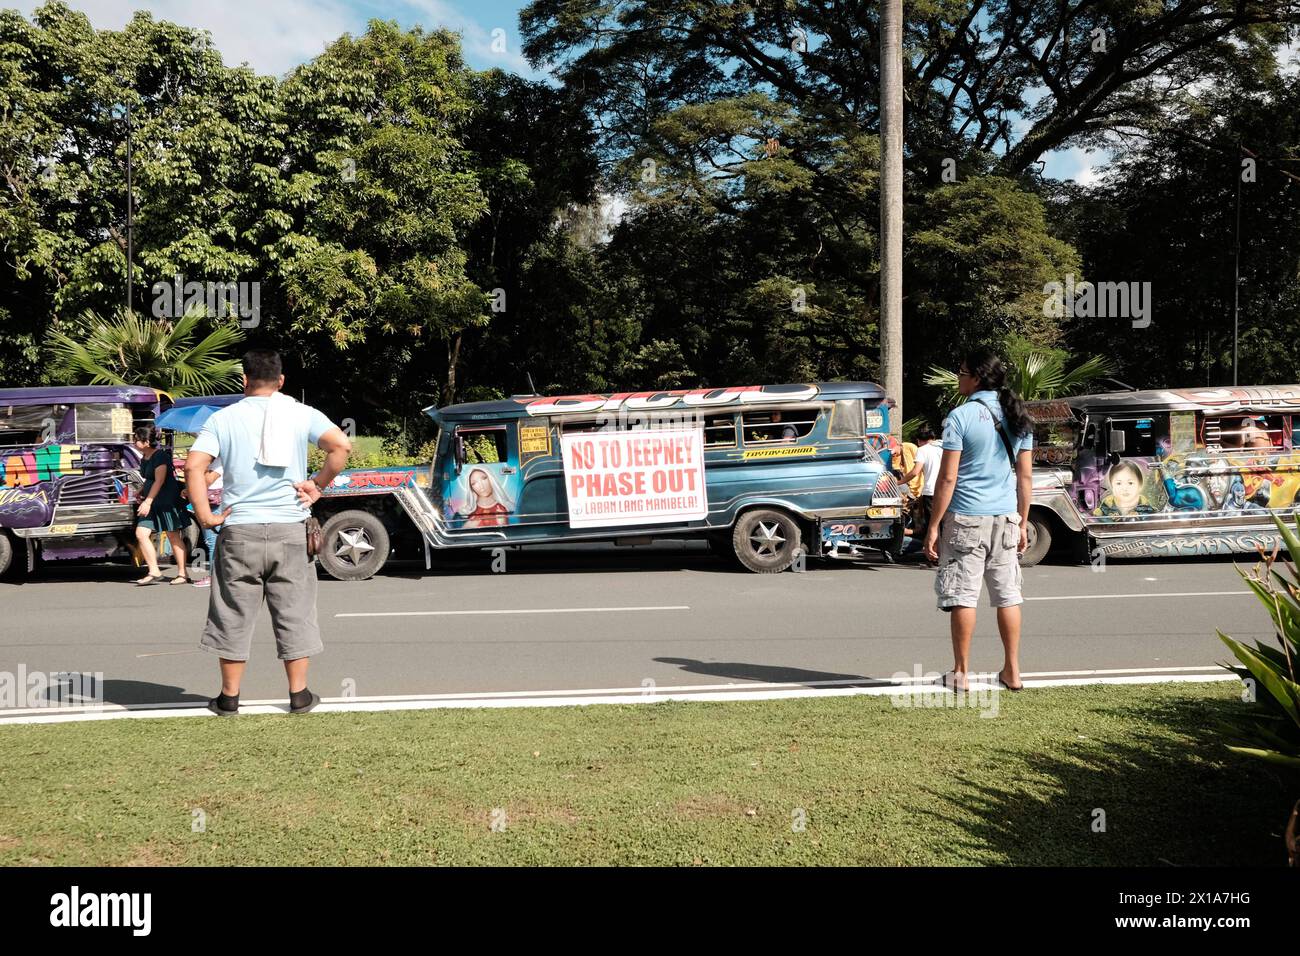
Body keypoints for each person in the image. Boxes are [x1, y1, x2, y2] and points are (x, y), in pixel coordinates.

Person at [184, 349, 352, 716]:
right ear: (281, 380)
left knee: (232, 611)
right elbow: (341, 446)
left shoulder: (222, 419)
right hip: (290, 529)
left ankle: (229, 699)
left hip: (238, 529)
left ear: (243, 380)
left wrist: (206, 516)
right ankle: (299, 695)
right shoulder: (299, 412)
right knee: (294, 611)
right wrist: (318, 484)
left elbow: (194, 467)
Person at [924, 348, 1033, 692]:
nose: (958, 378)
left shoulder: (960, 417)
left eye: (961, 372)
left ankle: (960, 673)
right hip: (1005, 518)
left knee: (963, 596)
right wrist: (1022, 522)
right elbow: (1025, 478)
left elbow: (948, 478)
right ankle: (1012, 671)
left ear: (976, 378)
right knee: (1007, 595)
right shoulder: (1018, 416)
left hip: (966, 519)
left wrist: (932, 526)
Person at [131, 426, 193, 586]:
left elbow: (160, 480)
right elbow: (150, 479)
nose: (134, 441)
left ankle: (182, 574)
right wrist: (140, 490)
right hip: (151, 499)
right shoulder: (144, 457)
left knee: (172, 535)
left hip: (166, 501)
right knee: (141, 533)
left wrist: (147, 501)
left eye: (136, 439)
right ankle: (154, 570)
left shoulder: (160, 456)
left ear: (145, 442)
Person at [901, 425, 941, 544]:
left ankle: (934, 552)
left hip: (931, 492)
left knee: (932, 524)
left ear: (919, 440)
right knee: (945, 523)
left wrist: (899, 482)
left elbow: (915, 472)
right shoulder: (945, 446)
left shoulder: (923, 450)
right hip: (948, 491)